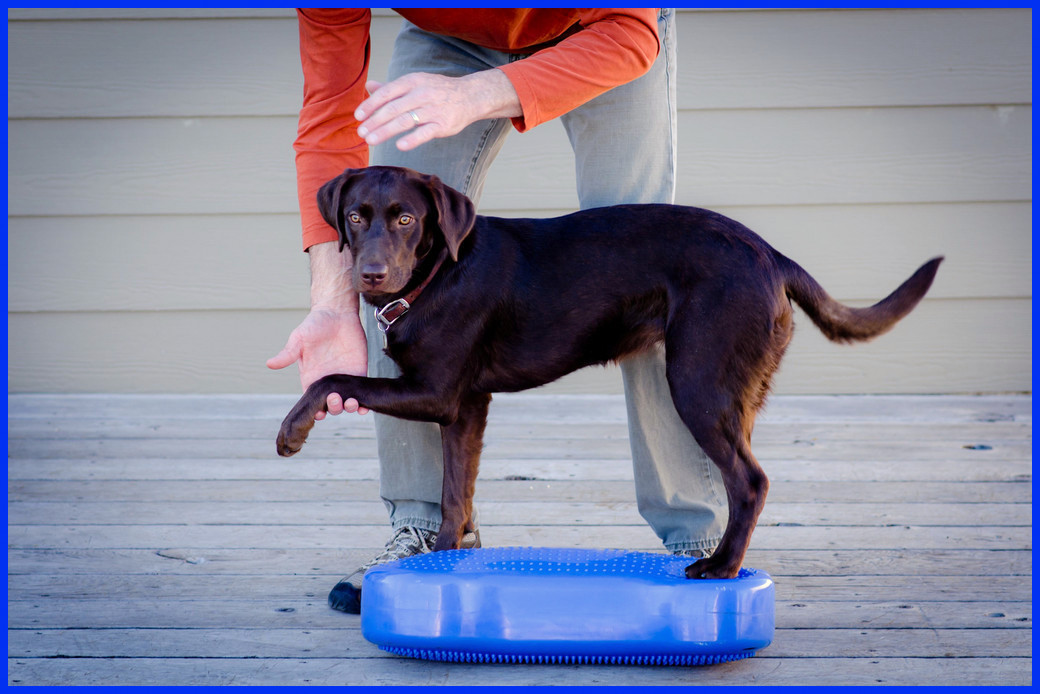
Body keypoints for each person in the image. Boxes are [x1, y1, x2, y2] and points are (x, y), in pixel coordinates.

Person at [268, 8, 727, 615]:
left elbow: (630, 31)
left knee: (653, 274)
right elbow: (331, 117)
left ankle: (697, 537)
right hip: (445, 40)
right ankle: (426, 530)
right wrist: (335, 299)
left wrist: (477, 95)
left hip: (602, 32)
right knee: (395, 271)